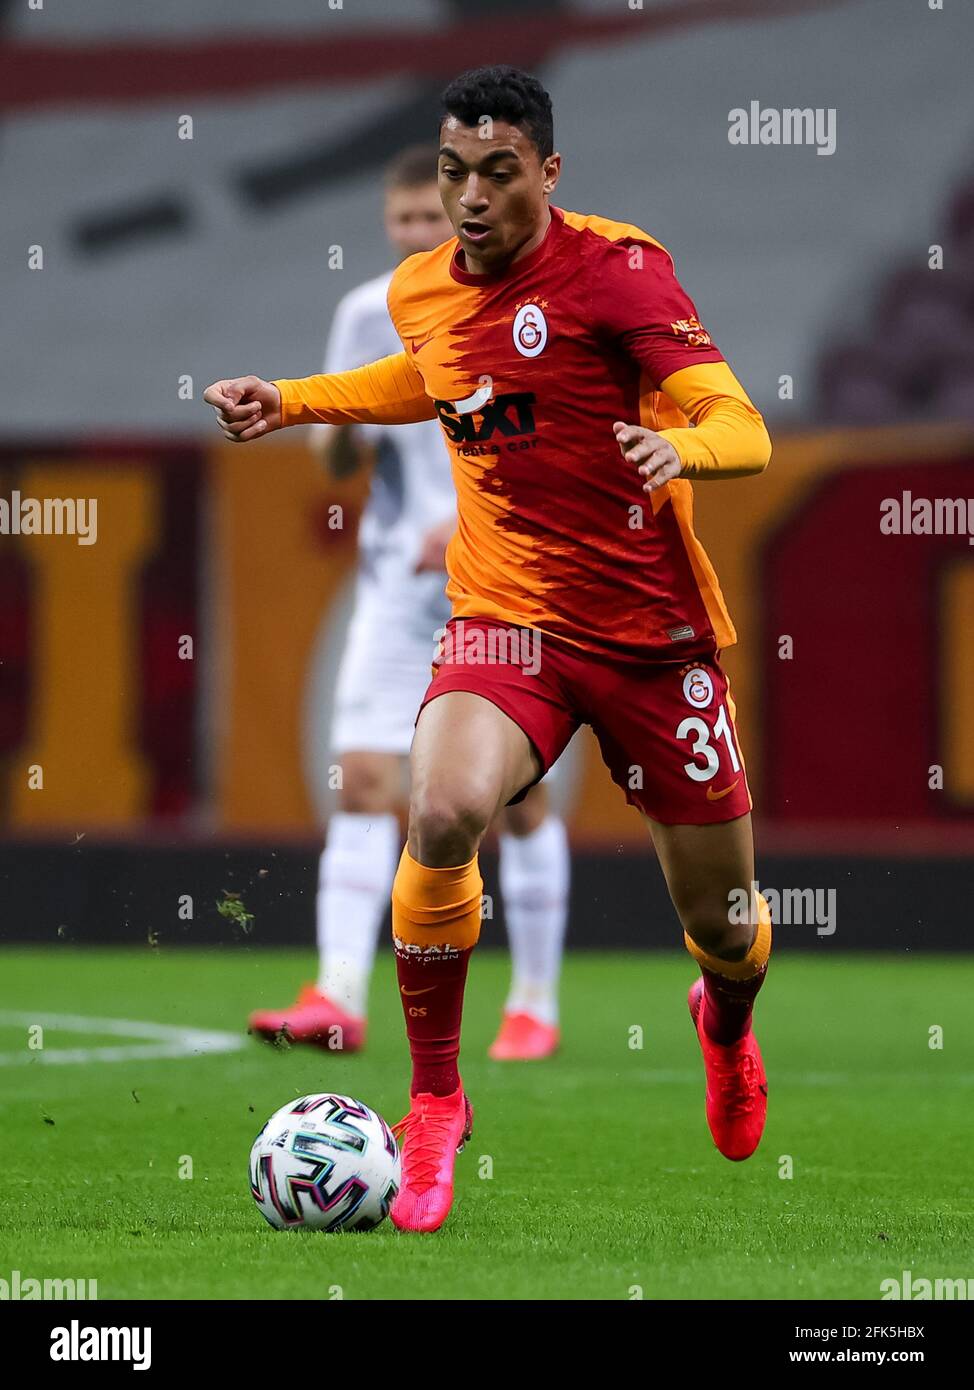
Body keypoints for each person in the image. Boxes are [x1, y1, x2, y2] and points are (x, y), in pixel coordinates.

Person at [206, 65, 773, 1235]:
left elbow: (739, 422)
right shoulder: (424, 290)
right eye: (454, 172)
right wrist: (296, 402)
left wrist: (686, 455)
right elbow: (430, 377)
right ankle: (433, 1101)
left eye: (496, 173)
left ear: (547, 173)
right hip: (503, 620)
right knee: (443, 808)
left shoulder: (617, 268)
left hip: (650, 640)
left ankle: (722, 1023)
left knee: (724, 924)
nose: (469, 197)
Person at [248, 144, 570, 1062]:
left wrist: (477, 530)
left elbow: (548, 444)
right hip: (397, 585)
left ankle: (535, 1001)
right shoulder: (368, 315)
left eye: (431, 220)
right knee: (362, 778)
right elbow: (340, 449)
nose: (420, 235)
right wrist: (334, 440)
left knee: (515, 801)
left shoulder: (522, 312)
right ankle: (339, 995)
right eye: (405, 224)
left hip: (503, 585)